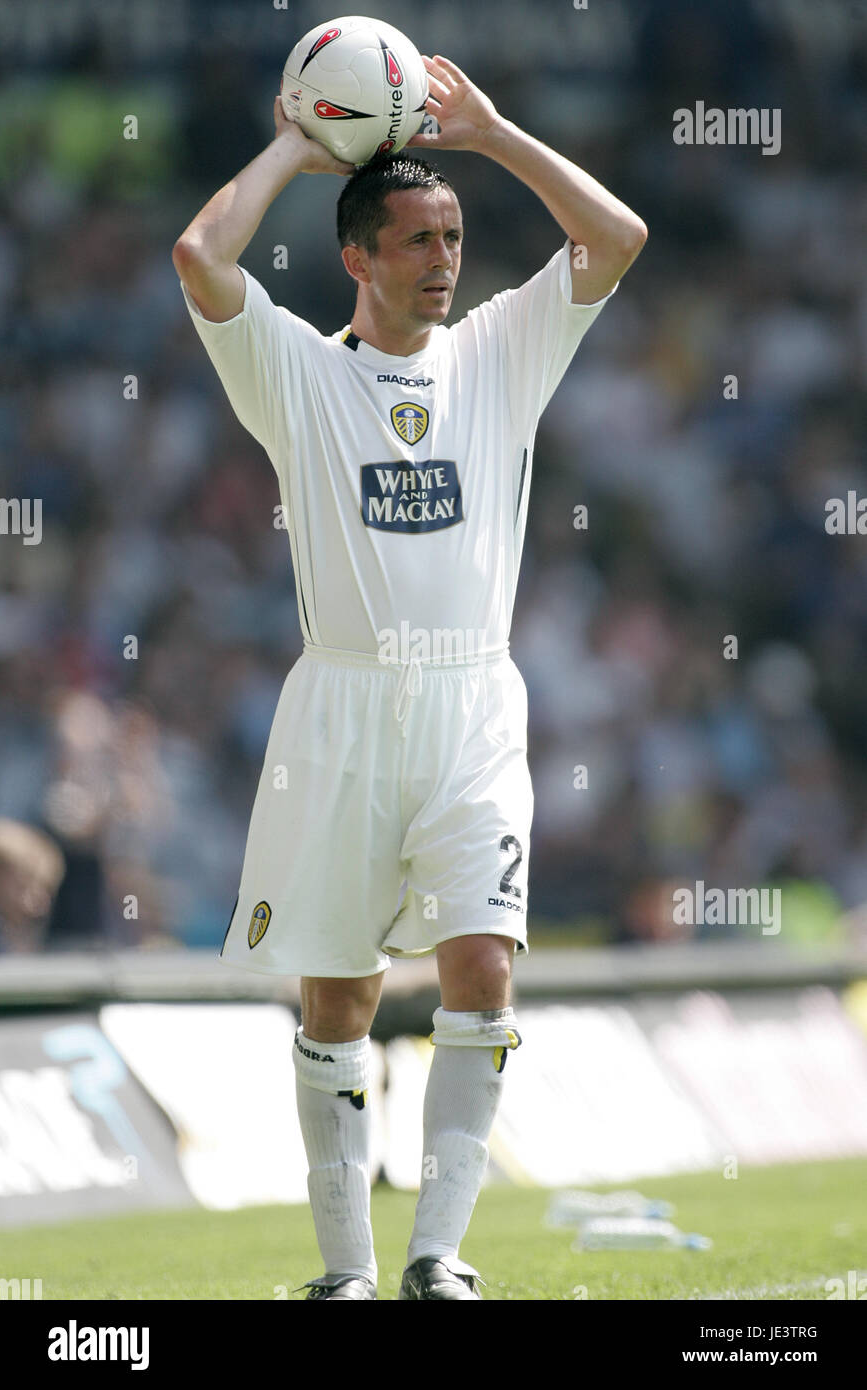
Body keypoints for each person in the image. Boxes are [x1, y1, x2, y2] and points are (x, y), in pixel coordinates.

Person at [172, 51, 646, 1300]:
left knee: (483, 967)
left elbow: (617, 234)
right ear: (357, 260)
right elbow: (201, 258)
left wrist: (489, 138)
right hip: (341, 704)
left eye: (452, 237)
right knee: (338, 997)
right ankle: (346, 1271)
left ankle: (438, 1254)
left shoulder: (499, 349)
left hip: (473, 705)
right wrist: (290, 143)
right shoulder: (298, 373)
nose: (444, 260)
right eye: (415, 240)